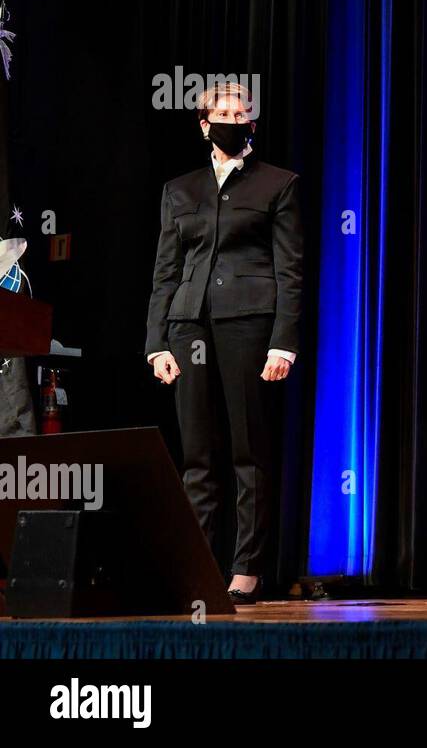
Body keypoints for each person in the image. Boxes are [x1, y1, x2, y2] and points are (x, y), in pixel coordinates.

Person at [145, 82, 303, 605]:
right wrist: (157, 343)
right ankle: (199, 568)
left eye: (241, 114)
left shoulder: (278, 184)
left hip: (248, 326)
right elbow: (165, 273)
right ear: (204, 124)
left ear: (252, 125)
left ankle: (246, 569)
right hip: (188, 326)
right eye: (223, 114)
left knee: (247, 452)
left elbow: (290, 270)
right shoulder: (180, 189)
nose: (232, 121)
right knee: (197, 455)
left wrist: (283, 342)